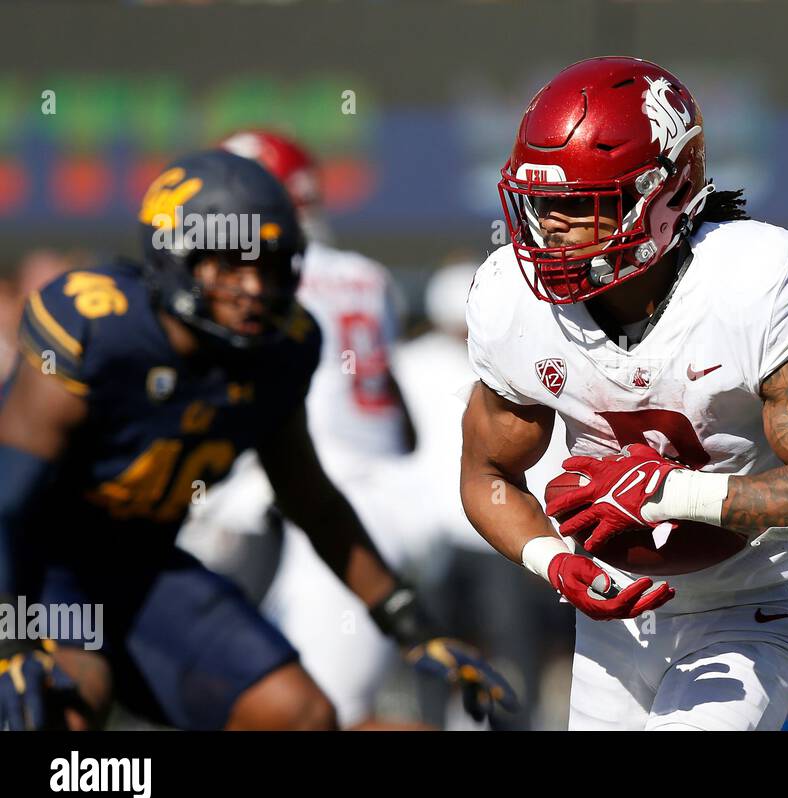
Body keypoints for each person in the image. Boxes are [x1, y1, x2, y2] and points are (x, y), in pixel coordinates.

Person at [0, 149, 512, 731]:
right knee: (58, 707)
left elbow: (310, 498)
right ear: (175, 255)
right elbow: (6, 500)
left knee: (298, 715)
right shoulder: (98, 323)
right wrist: (8, 638)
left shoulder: (280, 351)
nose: (254, 288)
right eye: (232, 266)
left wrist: (411, 626)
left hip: (140, 569)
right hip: (32, 562)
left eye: (270, 268)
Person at [459, 56, 788, 731]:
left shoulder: (751, 279)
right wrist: (551, 559)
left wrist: (672, 493)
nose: (553, 230)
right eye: (542, 205)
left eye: (582, 205)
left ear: (668, 193)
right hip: (618, 615)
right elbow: (487, 473)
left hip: (753, 597)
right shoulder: (511, 298)